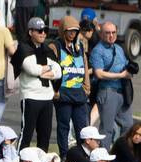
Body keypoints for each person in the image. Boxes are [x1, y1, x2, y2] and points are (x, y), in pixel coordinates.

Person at [13, 17, 58, 151]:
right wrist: (48, 68)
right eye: (39, 31)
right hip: (31, 97)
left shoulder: (47, 49)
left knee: (45, 136)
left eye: (45, 30)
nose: (43, 33)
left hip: (47, 98)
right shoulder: (23, 48)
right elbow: (32, 69)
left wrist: (44, 70)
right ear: (30, 32)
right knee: (26, 134)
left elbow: (59, 71)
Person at [49, 16, 91, 154]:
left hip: (79, 93)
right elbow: (49, 69)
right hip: (63, 93)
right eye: (69, 31)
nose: (72, 34)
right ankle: (64, 155)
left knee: (82, 128)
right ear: (63, 31)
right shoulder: (55, 46)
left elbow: (85, 67)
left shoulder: (79, 47)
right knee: (63, 127)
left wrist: (86, 89)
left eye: (75, 31)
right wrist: (55, 92)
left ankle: (81, 156)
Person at [90, 22, 132, 149]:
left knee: (128, 125)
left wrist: (131, 71)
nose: (111, 35)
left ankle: (120, 154)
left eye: (113, 32)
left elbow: (125, 66)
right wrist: (120, 76)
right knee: (107, 129)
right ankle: (102, 158)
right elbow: (99, 73)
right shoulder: (98, 50)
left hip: (122, 92)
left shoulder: (118, 49)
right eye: (107, 33)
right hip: (107, 91)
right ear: (101, 34)